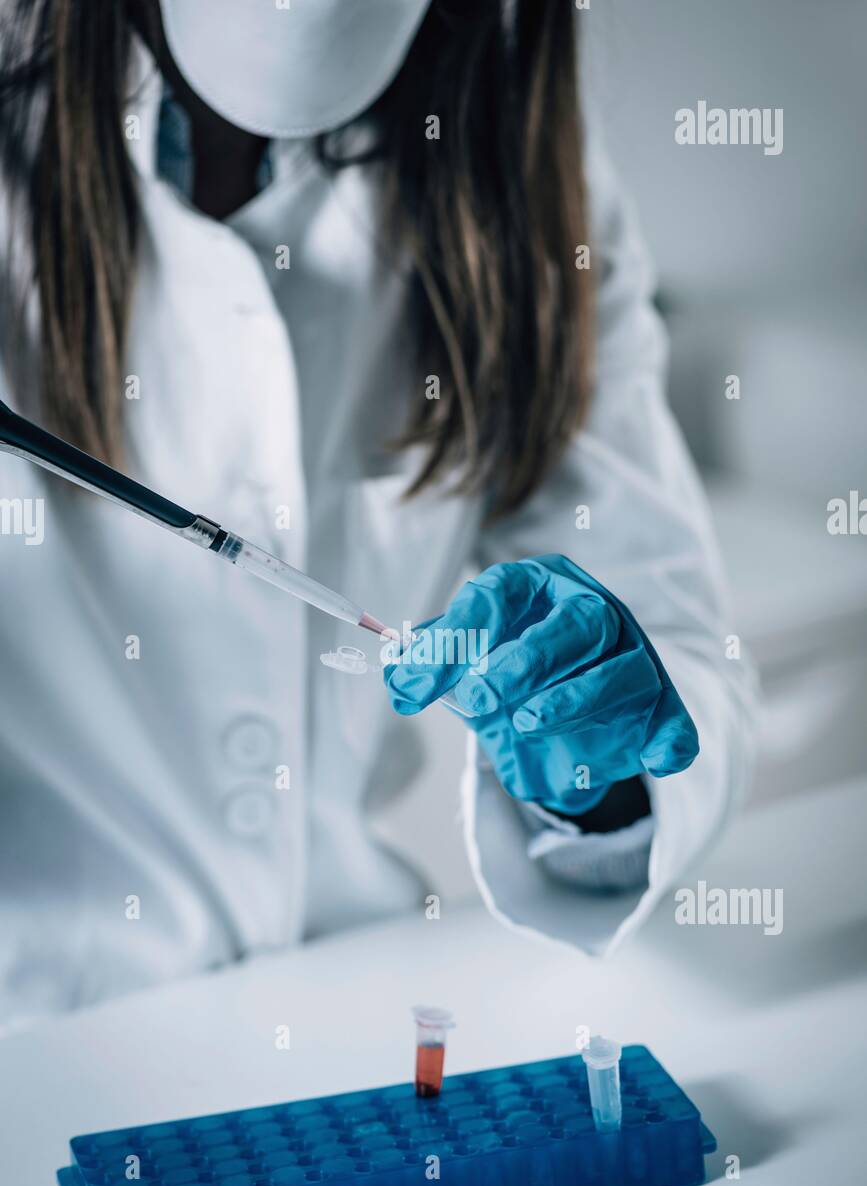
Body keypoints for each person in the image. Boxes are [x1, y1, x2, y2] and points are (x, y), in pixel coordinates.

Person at [0, 0, 753, 1030]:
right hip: (36, 1039)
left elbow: (673, 644)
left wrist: (595, 767)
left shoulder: (511, 159)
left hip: (348, 997)